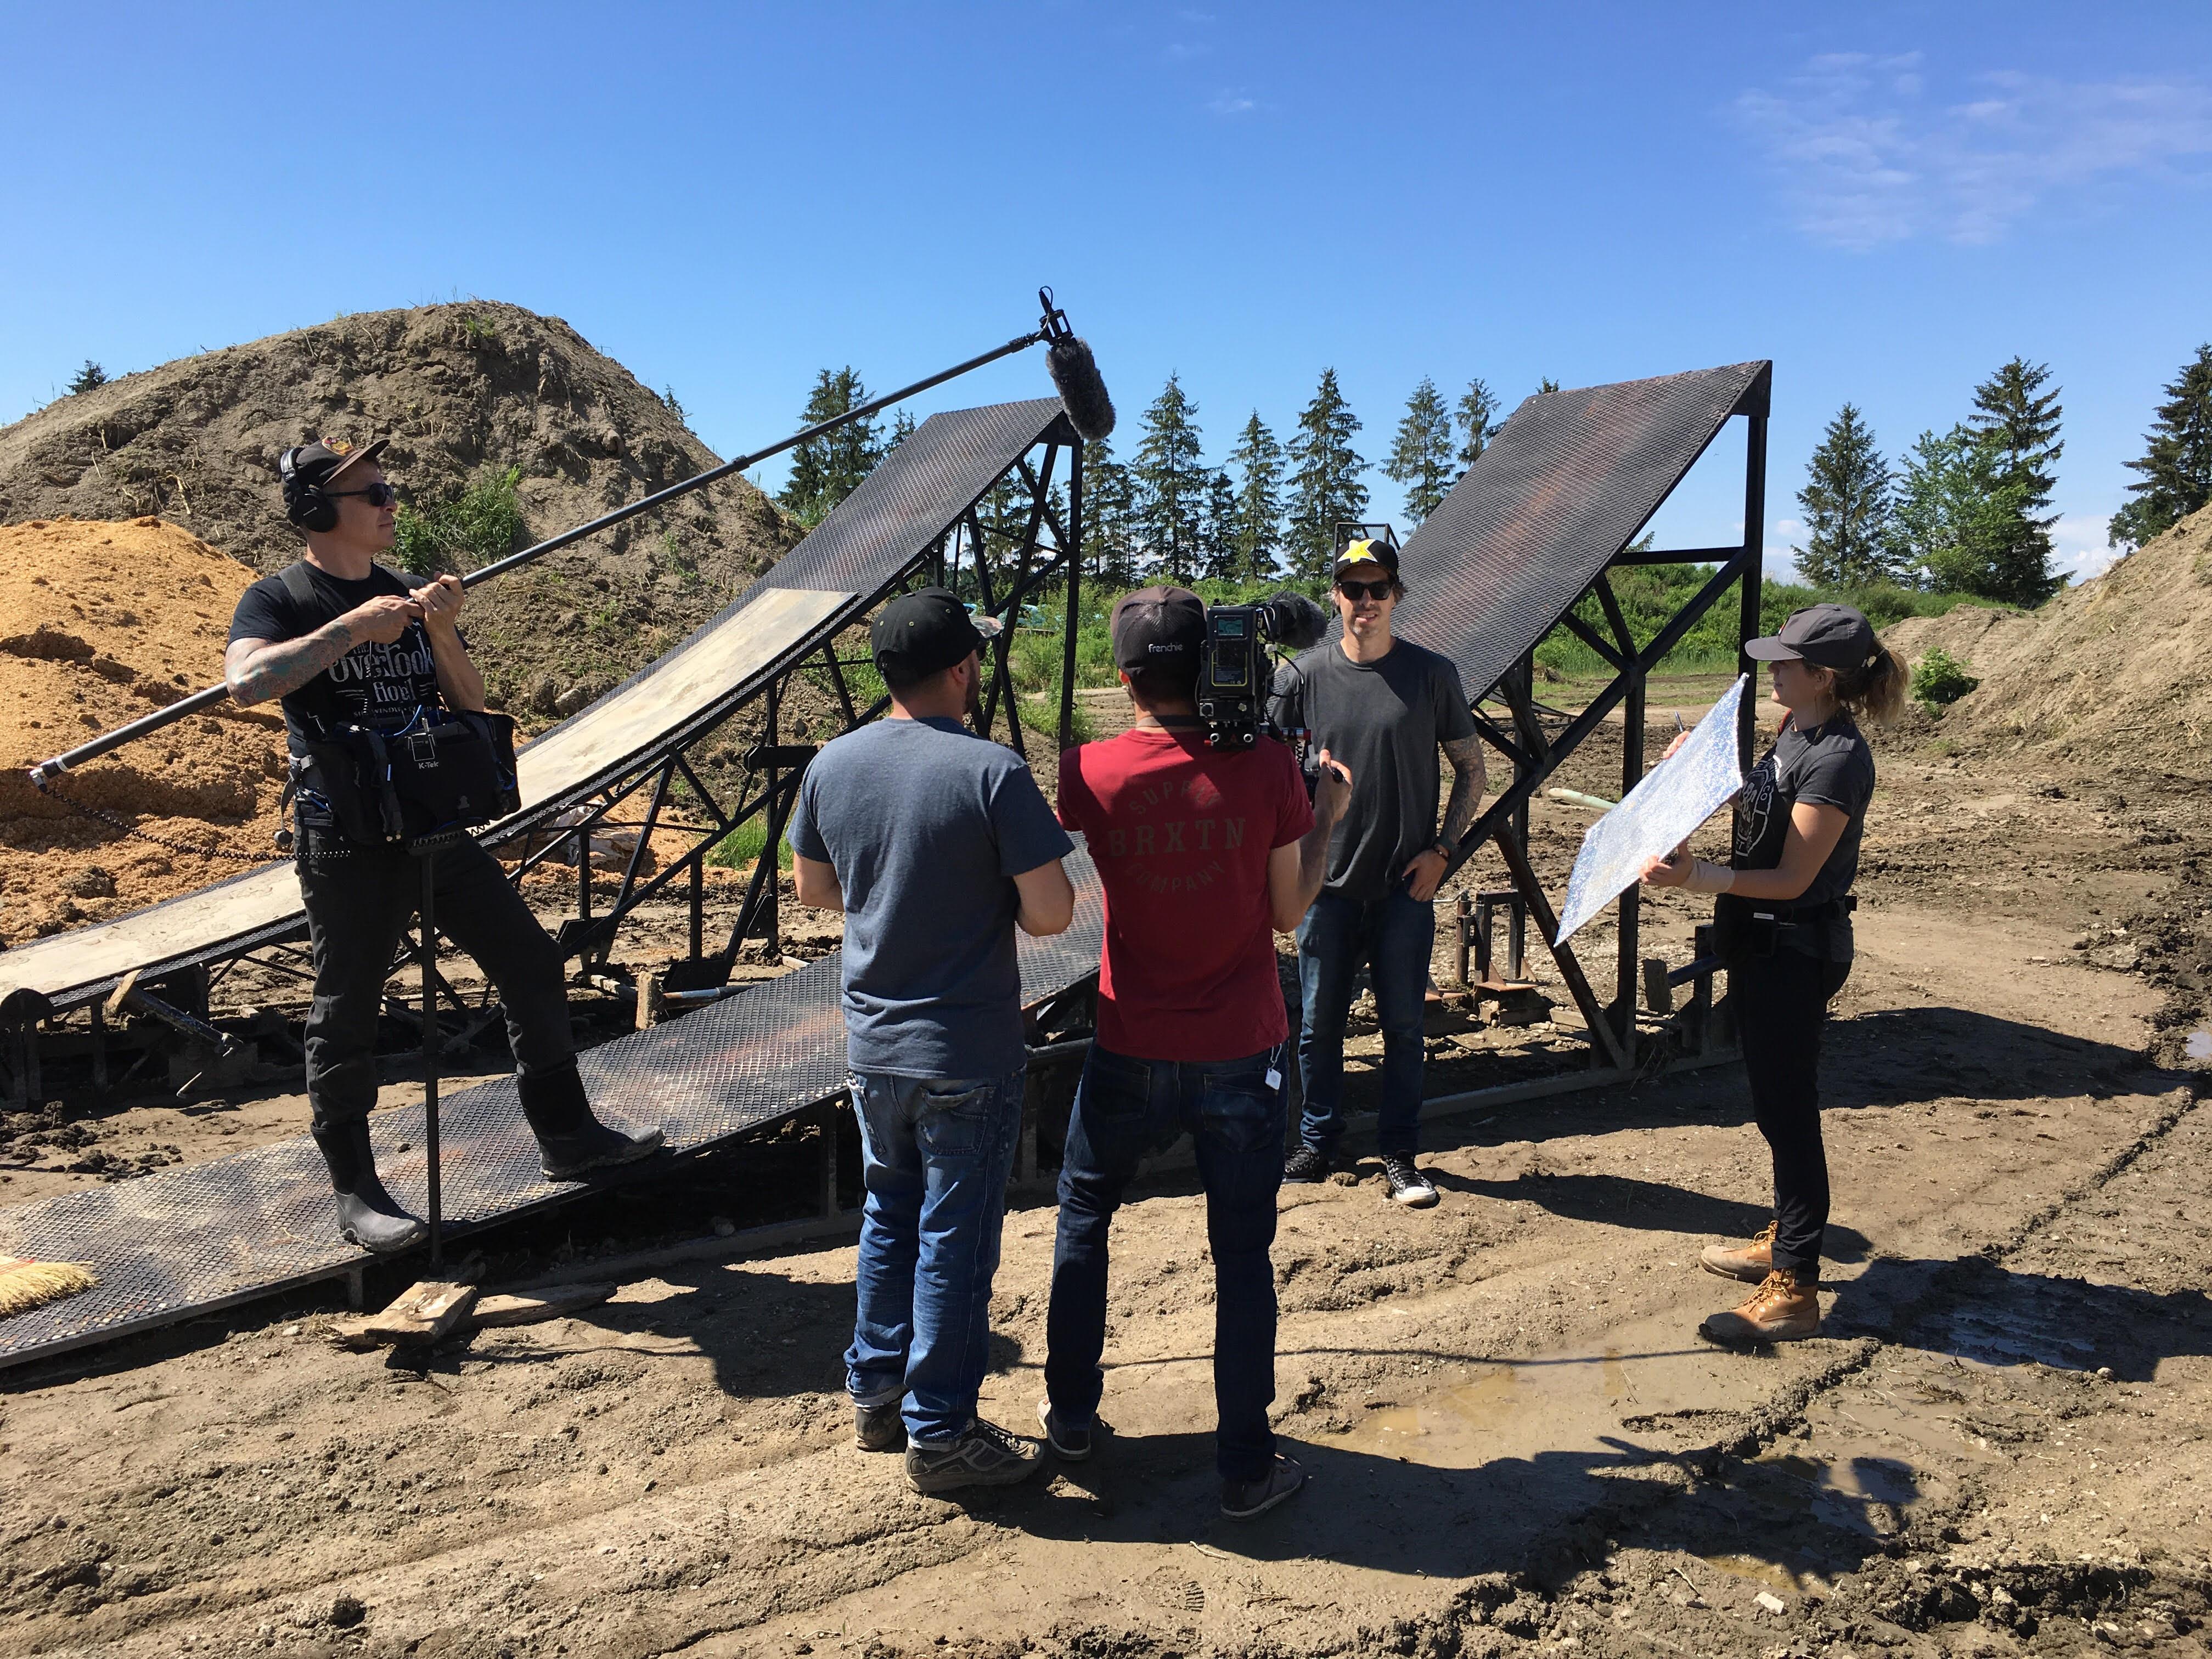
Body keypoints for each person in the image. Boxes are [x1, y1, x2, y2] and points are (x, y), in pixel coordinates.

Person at [226, 437, 663, 1256]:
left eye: (388, 489)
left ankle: (566, 1137)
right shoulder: (278, 599)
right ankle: (356, 1192)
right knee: (346, 1010)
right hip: (347, 841)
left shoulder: (398, 590)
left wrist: (443, 629)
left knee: (531, 964)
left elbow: (470, 701)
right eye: (371, 493)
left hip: (433, 826)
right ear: (317, 510)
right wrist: (352, 629)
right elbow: (247, 683)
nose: (390, 502)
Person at [1044, 587, 1353, 1520]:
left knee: (1083, 1218)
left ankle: (1070, 1417)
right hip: (1239, 1050)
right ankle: (1245, 1468)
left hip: (1128, 1040)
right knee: (1242, 1254)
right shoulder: (1266, 769)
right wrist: (1326, 811)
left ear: (1124, 676)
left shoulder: (1085, 770)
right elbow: (1288, 911)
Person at [785, 586, 1076, 1495]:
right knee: (954, 1238)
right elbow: (1051, 913)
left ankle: (876, 1393)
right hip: (965, 1051)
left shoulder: (832, 763)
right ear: (959, 669)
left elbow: (812, 889)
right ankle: (941, 1432)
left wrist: (897, 893)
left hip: (874, 1045)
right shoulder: (991, 771)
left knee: (888, 1212)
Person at [1640, 602, 1906, 1343]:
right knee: (1771, 1105)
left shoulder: (1837, 760)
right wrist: (1699, 774)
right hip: (1761, 947)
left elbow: (1791, 877)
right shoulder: (1795, 729)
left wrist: (1696, 878)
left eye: (1784, 663)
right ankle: (1786, 1238)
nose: (1772, 672)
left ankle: (1794, 1288)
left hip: (1796, 951)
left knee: (1788, 1113)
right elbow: (1761, 807)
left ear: (1821, 677)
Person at [1267, 538, 1486, 1206]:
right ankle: (1316, 1142)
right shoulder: (1300, 678)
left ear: (1396, 595)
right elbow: (1264, 775)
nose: (1365, 601)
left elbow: (1471, 770)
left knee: (1403, 1029)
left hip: (1401, 890)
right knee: (1317, 1028)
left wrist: (1443, 851)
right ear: (1334, 596)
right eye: (1352, 589)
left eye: (1377, 589)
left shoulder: (1431, 675)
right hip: (1322, 889)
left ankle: (1399, 1154)